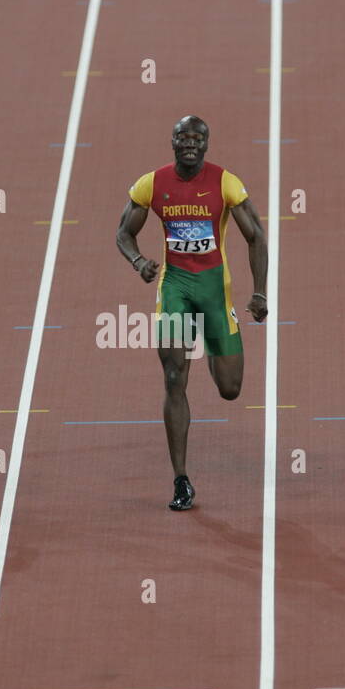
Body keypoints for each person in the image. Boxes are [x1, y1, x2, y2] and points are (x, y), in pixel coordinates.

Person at [115, 115, 268, 510]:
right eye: (182, 136)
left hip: (216, 290)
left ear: (206, 144)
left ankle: (215, 349)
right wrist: (138, 262)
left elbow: (257, 236)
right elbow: (123, 232)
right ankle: (181, 479)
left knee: (231, 390)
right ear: (171, 141)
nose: (189, 143)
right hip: (175, 289)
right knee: (173, 377)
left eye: (197, 138)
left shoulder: (225, 183)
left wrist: (260, 293)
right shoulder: (152, 184)